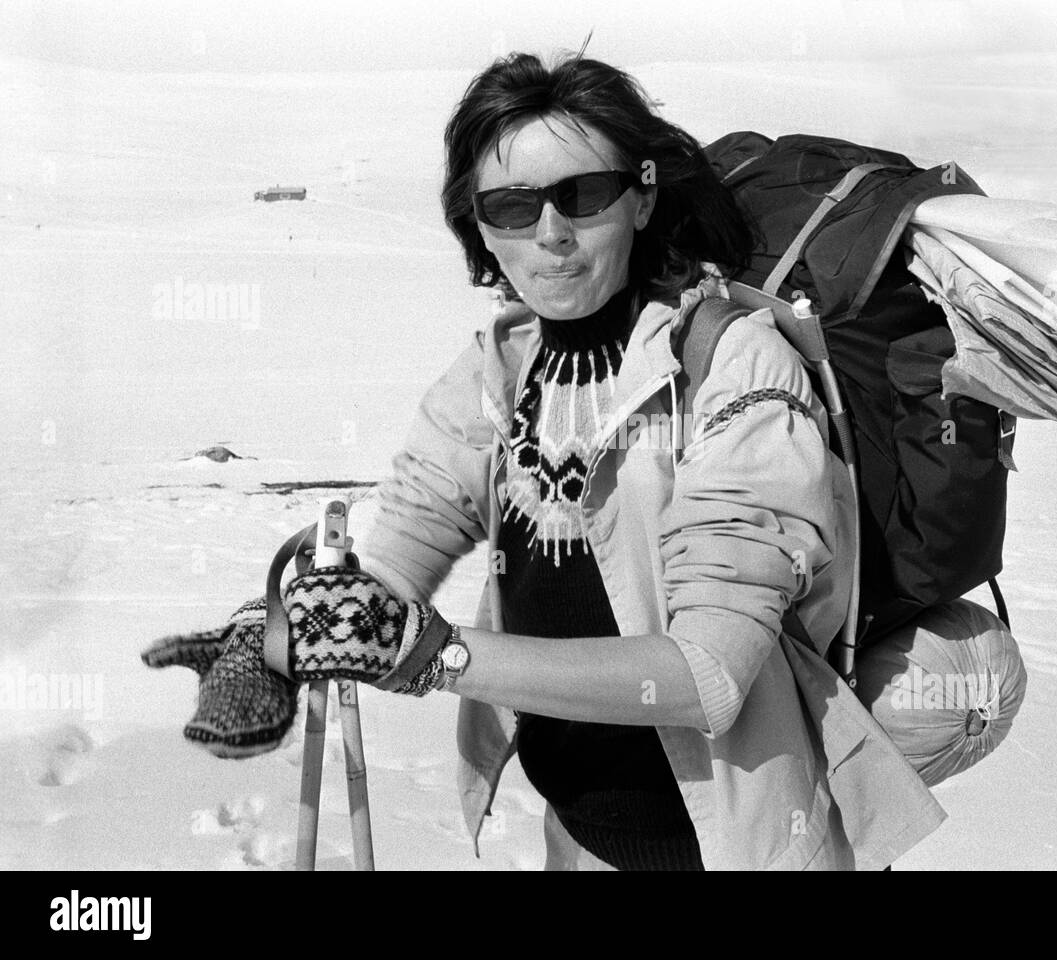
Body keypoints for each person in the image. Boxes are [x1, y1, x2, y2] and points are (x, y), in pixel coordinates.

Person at [145, 49, 944, 871]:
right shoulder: (498, 368)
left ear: (641, 198)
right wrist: (281, 632)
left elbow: (708, 675)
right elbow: (402, 548)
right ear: (480, 226)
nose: (551, 234)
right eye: (514, 206)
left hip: (730, 844)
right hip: (574, 831)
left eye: (584, 195)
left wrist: (431, 655)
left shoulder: (734, 368)